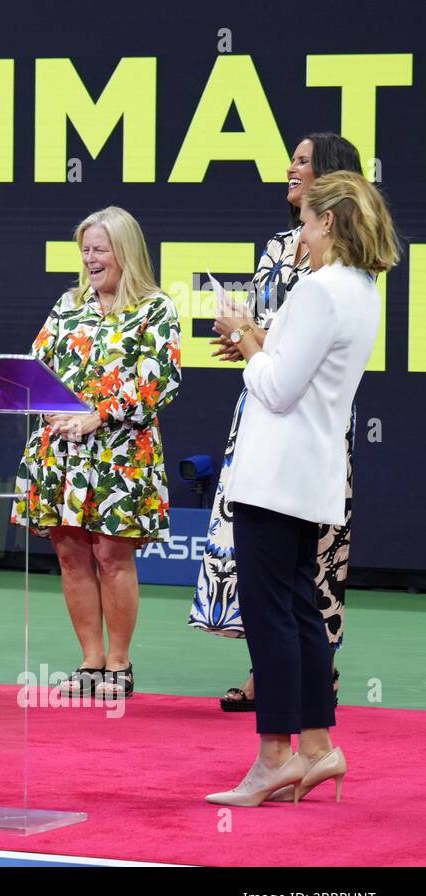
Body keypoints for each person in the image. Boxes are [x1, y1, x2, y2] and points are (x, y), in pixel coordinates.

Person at [206, 171, 398, 806]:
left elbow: (279, 389)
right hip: (308, 473)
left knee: (271, 617)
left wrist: (241, 337)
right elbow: (302, 377)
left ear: (332, 225)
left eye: (309, 224)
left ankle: (273, 760)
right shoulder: (364, 289)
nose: (301, 235)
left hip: (276, 472)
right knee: (300, 611)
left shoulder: (319, 290)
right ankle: (317, 749)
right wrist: (259, 342)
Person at [190, 133, 364, 712]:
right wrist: (245, 338)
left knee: (301, 573)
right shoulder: (282, 247)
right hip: (266, 411)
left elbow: (290, 366)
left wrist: (248, 339)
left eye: (302, 161)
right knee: (271, 576)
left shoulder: (338, 271)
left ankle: (299, 704)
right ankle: (288, 694)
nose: (289, 169)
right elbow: (271, 337)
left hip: (301, 417)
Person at [11, 207, 181, 699]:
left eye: (100, 249)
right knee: (69, 552)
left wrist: (98, 415)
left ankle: (119, 666)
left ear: (124, 252)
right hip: (60, 448)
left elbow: (160, 380)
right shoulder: (68, 306)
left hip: (120, 454)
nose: (90, 259)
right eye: (85, 250)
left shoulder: (155, 308)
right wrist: (48, 408)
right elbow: (36, 366)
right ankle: (90, 662)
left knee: (111, 555)